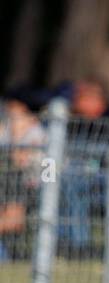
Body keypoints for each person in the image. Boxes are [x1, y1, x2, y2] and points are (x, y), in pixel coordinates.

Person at [0, 87, 47, 259]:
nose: (9, 115)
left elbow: (19, 160)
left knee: (13, 219)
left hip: (34, 184)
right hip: (10, 182)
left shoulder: (37, 133)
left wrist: (17, 133)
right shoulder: (5, 129)